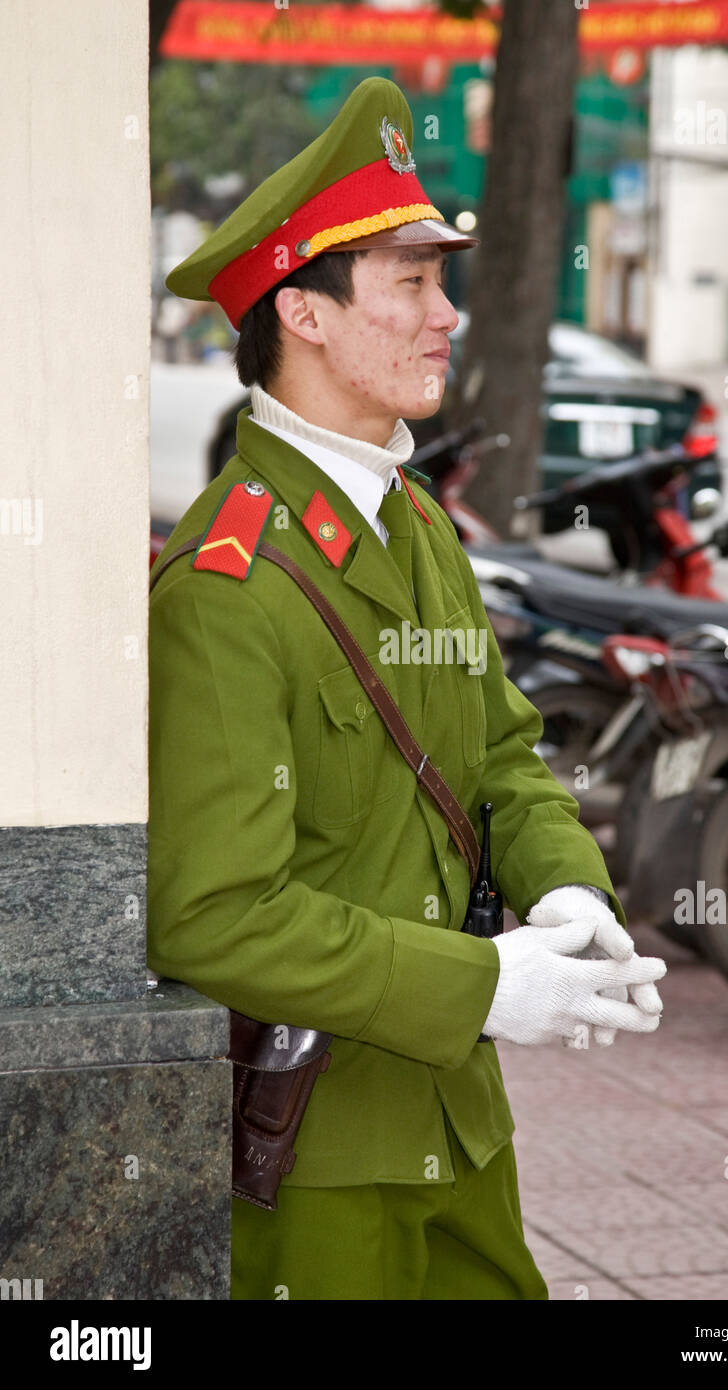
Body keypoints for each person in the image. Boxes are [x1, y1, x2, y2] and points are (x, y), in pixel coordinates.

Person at [147, 75, 666, 1302]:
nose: (446, 314)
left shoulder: (415, 520)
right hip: (320, 1158)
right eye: (408, 281)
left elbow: (498, 757)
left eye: (443, 279)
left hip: (457, 1116)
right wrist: (486, 985)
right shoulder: (228, 581)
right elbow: (213, 916)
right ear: (303, 314)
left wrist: (567, 896)